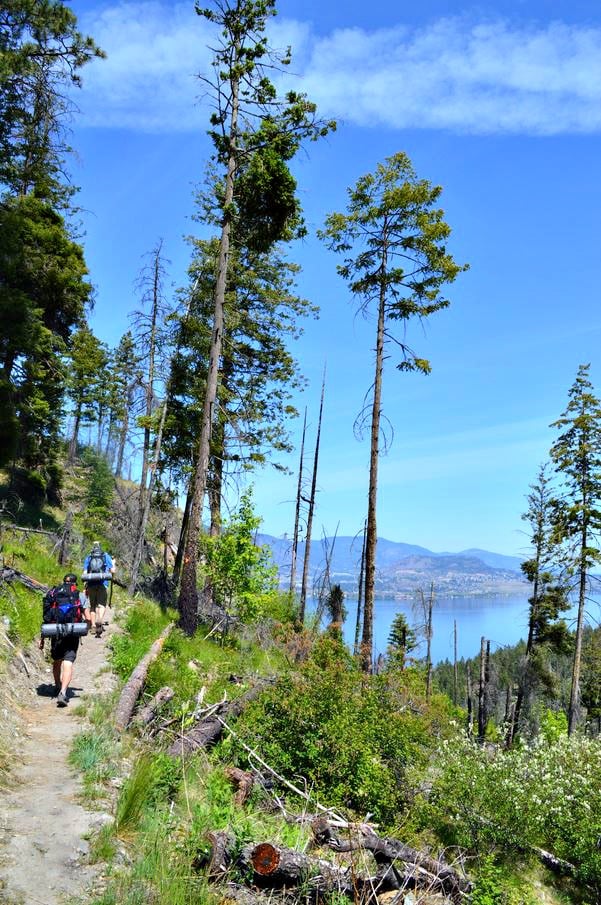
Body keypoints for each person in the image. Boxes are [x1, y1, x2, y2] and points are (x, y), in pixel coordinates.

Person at [39, 573, 90, 707]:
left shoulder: (54, 592)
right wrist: (88, 625)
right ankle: (63, 692)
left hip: (56, 632)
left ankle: (57, 684)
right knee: (68, 661)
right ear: (75, 584)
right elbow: (87, 615)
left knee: (57, 661)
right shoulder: (79, 595)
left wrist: (42, 638)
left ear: (63, 581)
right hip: (72, 632)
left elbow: (46, 616)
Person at [83, 541, 115, 638]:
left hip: (91, 583)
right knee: (101, 605)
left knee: (92, 606)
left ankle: (93, 626)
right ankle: (100, 619)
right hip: (103, 583)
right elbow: (113, 570)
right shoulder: (105, 556)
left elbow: (85, 572)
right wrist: (113, 566)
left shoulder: (89, 557)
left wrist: (85, 585)